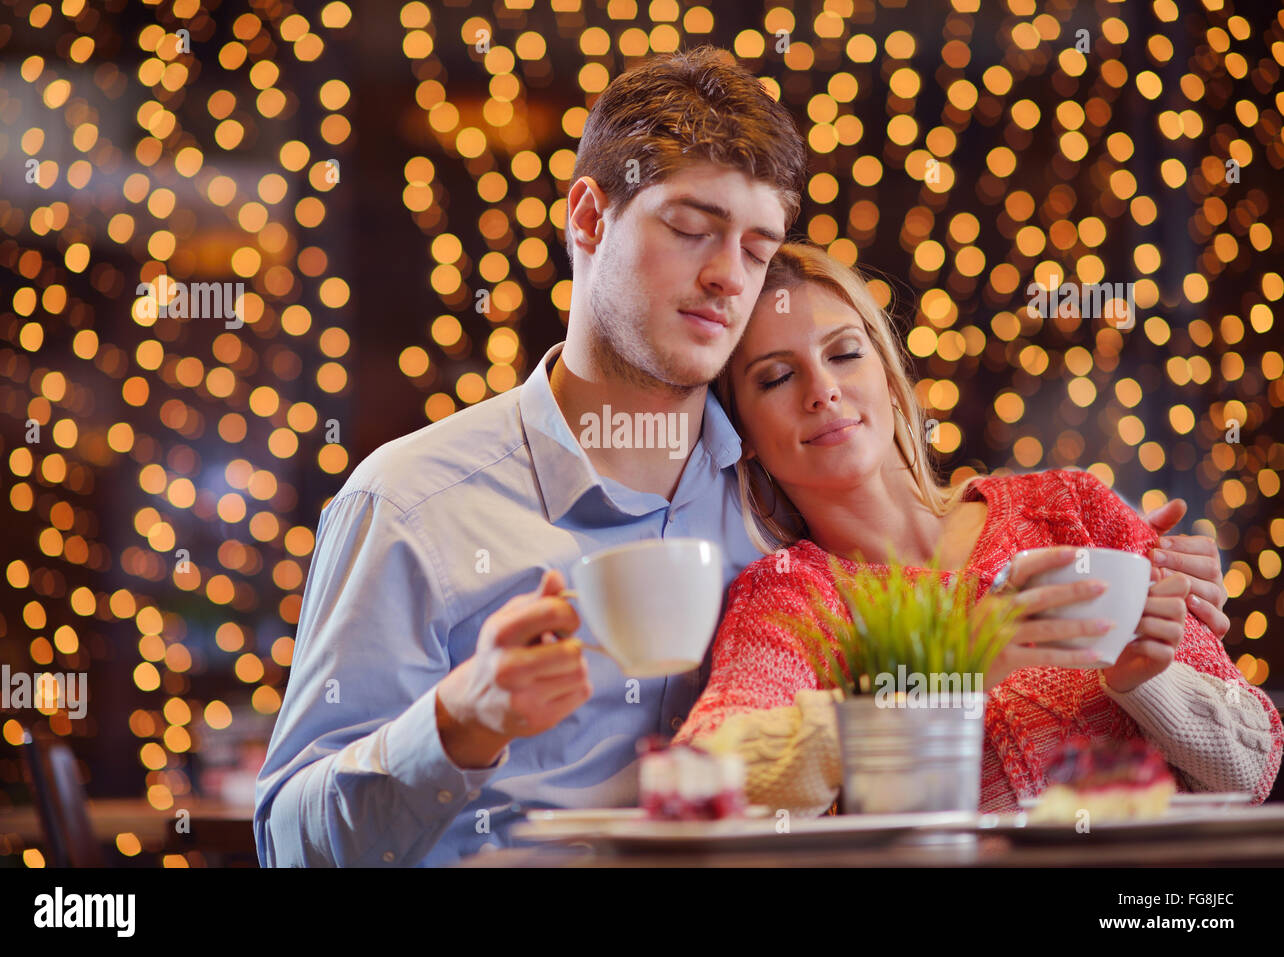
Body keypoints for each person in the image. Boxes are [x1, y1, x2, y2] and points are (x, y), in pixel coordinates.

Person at [253, 45, 808, 866]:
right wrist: (453, 724)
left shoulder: (779, 502)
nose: (730, 276)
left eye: (759, 251)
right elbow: (286, 846)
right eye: (693, 229)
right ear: (588, 218)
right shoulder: (410, 503)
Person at [671, 242, 1281, 815]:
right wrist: (953, 675)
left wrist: (1147, 682)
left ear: (886, 371)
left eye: (844, 353)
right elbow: (706, 773)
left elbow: (1253, 768)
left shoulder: (1068, 507)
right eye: (776, 377)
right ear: (741, 436)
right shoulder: (790, 599)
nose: (823, 391)